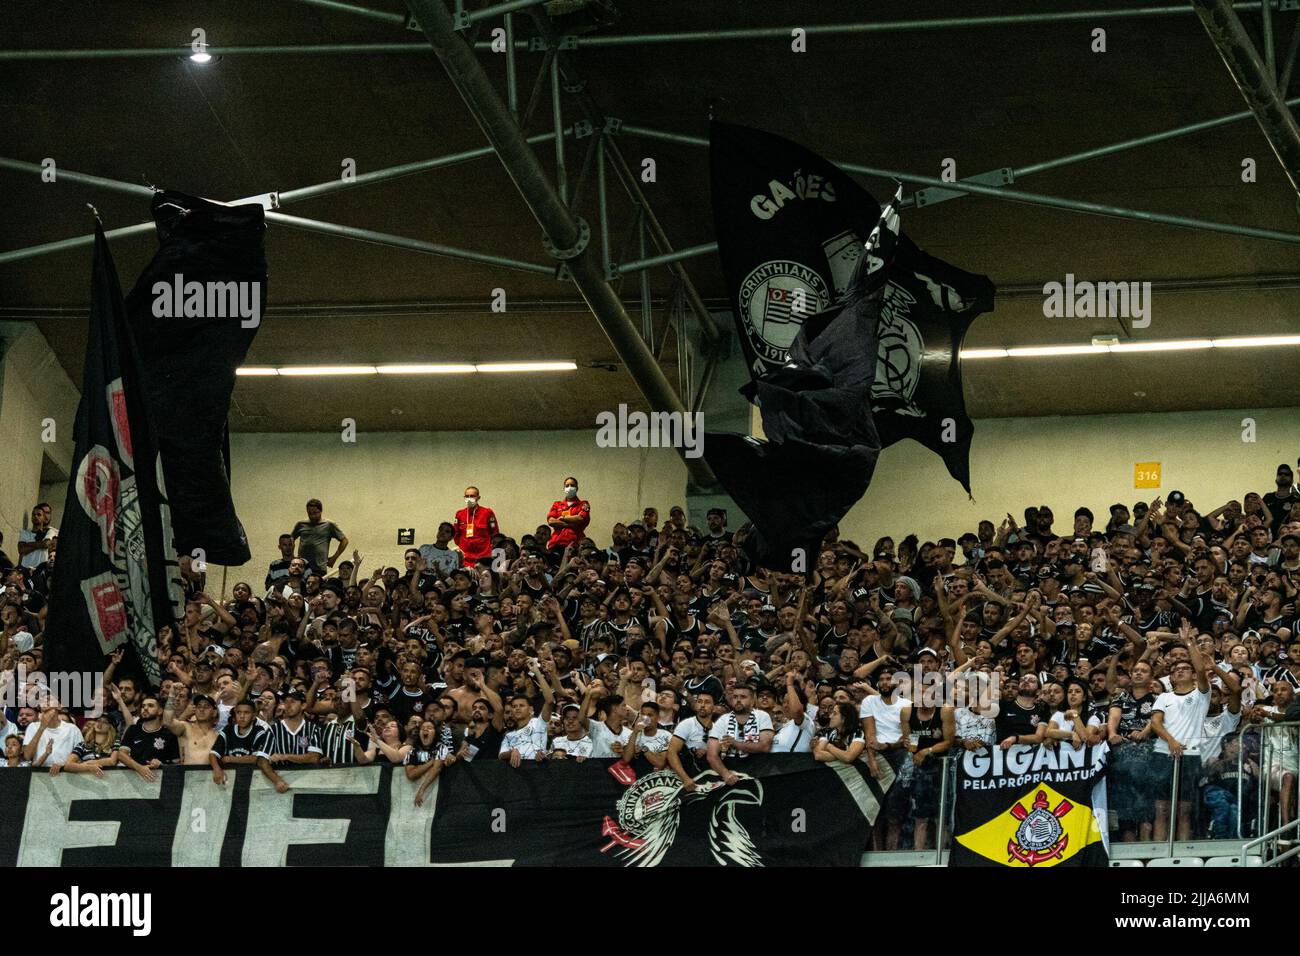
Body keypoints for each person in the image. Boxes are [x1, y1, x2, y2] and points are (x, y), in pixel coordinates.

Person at [1150, 623, 1212, 841]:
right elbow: (1155, 722)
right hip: (1162, 753)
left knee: (1184, 810)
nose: (1180, 670)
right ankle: (1158, 853)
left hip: (1191, 755)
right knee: (1161, 808)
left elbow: (1202, 669)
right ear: (1171, 678)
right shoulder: (1164, 697)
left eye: (1185, 668)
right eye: (1176, 670)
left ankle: (1181, 854)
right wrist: (1171, 741)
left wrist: (1188, 643)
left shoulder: (1201, 695)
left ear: (1193, 675)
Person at [210, 699, 288, 792]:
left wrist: (230, 759)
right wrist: (216, 768)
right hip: (229, 781)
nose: (242, 716)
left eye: (246, 713)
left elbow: (256, 759)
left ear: (254, 716)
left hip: (253, 781)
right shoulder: (228, 729)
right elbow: (213, 753)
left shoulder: (259, 731)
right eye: (238, 712)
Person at [707, 680, 774, 786]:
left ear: (752, 700)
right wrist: (726, 774)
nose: (738, 700)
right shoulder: (723, 720)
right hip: (730, 773)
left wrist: (735, 743)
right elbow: (711, 755)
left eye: (743, 697)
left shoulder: (762, 716)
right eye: (735, 697)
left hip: (758, 772)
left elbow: (765, 747)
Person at [118, 696, 180, 780]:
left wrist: (161, 764)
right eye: (143, 706)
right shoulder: (133, 729)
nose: (145, 708)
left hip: (158, 780)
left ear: (160, 711)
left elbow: (177, 763)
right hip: (133, 779)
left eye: (150, 706)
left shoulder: (169, 734)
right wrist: (140, 768)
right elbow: (121, 755)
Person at [292, 499, 348, 574]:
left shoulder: (328, 525)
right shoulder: (301, 524)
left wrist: (334, 558)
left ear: (321, 511)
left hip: (319, 568)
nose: (312, 516)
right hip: (302, 567)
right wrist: (292, 557)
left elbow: (344, 541)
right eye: (309, 513)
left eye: (315, 513)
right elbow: (290, 540)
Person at [454, 486, 498, 568]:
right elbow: (456, 535)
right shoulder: (460, 514)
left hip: (483, 558)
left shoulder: (487, 513)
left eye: (472, 496)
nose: (469, 499)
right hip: (465, 559)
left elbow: (495, 534)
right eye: (467, 496)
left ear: (478, 497)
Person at [546, 477, 591, 555]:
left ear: (577, 488)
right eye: (567, 486)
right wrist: (571, 524)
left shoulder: (583, 504)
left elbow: (581, 518)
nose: (569, 488)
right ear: (564, 488)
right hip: (556, 544)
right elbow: (551, 521)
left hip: (575, 544)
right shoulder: (557, 504)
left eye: (572, 485)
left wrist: (563, 518)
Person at [17, 503, 57, 570]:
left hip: (40, 569)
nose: (35, 516)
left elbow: (45, 544)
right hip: (25, 569)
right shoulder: (25, 532)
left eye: (39, 515)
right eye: (33, 514)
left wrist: (27, 544)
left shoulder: (49, 531)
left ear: (44, 518)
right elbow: (21, 550)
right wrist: (40, 544)